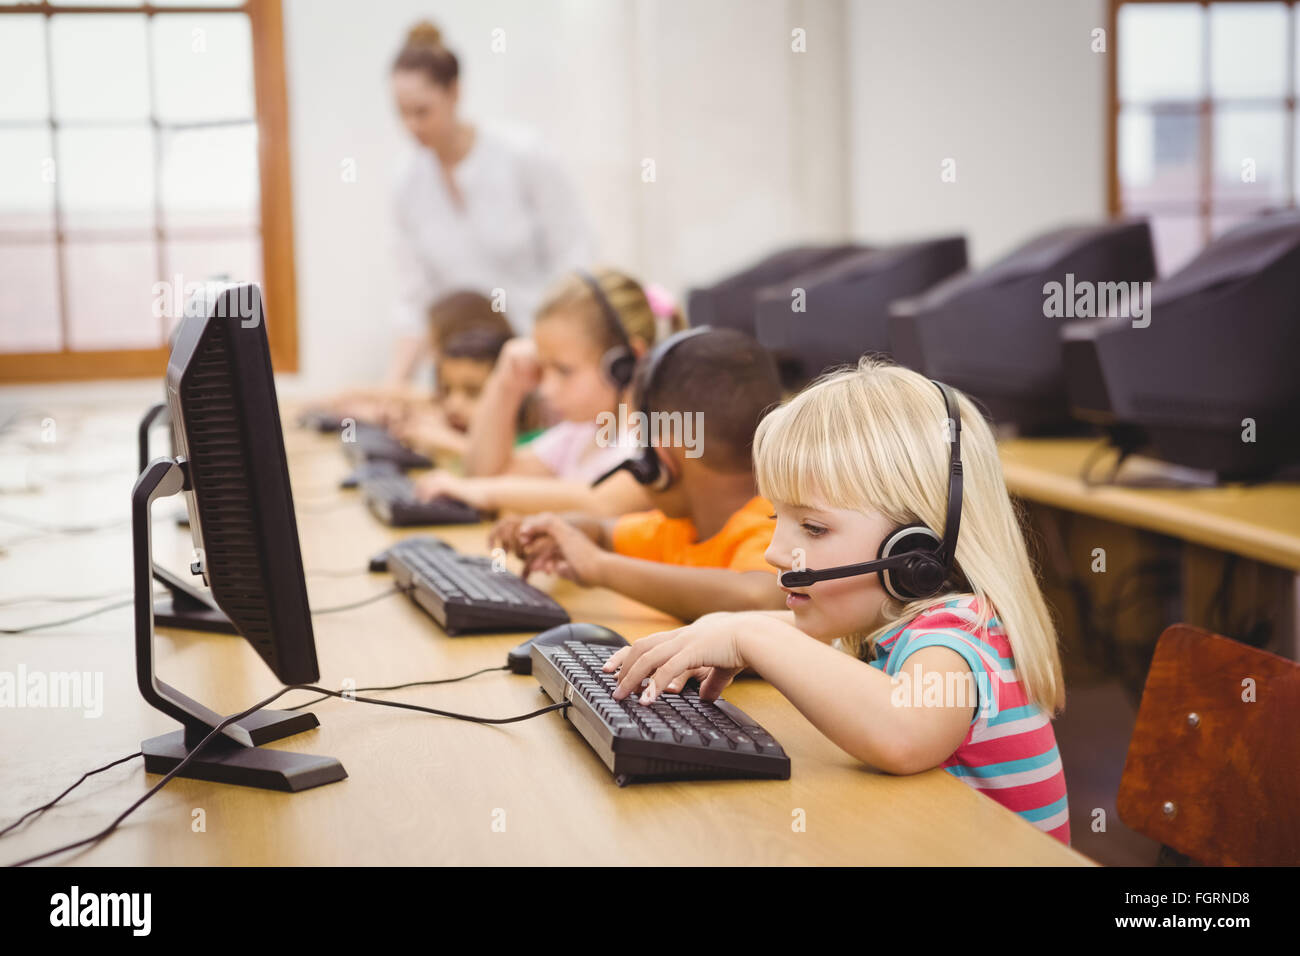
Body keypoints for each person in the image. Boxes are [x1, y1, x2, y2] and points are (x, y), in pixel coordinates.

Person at [602, 359, 1071, 845]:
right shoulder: (887, 625)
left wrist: (751, 635)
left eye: (814, 527)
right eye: (774, 518)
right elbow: (815, 653)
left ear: (914, 550)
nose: (775, 552)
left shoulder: (958, 633)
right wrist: (725, 631)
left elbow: (904, 732)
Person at [490, 328, 788, 623]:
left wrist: (600, 568)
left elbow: (757, 597)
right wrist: (560, 530)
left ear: (658, 460)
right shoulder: (679, 528)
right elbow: (603, 532)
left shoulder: (774, 524)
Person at [387, 20, 592, 382]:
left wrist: (560, 365)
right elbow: (414, 300)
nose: (412, 126)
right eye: (402, 113)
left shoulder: (522, 155)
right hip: (461, 376)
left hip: (536, 362)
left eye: (422, 111)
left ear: (454, 92)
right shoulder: (406, 183)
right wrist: (392, 387)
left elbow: (575, 262)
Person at [413, 268, 678, 517]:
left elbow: (602, 501)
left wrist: (485, 491)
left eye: (564, 371)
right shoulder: (580, 433)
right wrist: (505, 383)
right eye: (542, 368)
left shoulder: (656, 438)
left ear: (626, 362)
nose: (546, 389)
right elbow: (485, 472)